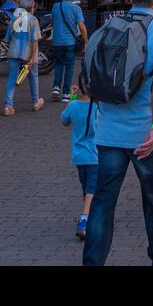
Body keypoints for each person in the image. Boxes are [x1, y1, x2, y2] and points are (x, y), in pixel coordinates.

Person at [83, 0, 153, 267]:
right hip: (145, 135)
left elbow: (89, 72)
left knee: (102, 201)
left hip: (109, 131)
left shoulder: (108, 26)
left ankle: (93, 261)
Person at [61, 87, 102, 240]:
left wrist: (72, 97)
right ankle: (84, 220)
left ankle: (89, 217)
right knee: (92, 188)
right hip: (94, 155)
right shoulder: (98, 108)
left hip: (78, 156)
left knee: (86, 188)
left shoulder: (73, 105)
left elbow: (64, 120)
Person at [3, 0, 44, 115]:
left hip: (13, 52)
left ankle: (8, 106)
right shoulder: (33, 20)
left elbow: (7, 38)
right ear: (31, 8)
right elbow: (35, 40)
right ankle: (36, 102)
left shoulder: (14, 19)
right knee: (33, 77)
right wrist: (32, 57)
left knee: (12, 78)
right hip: (28, 52)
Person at [51, 0, 88, 101]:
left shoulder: (56, 6)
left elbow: (54, 21)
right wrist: (86, 41)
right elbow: (82, 27)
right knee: (69, 66)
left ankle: (56, 88)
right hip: (70, 42)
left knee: (58, 64)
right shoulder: (76, 9)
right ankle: (66, 94)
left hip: (57, 41)